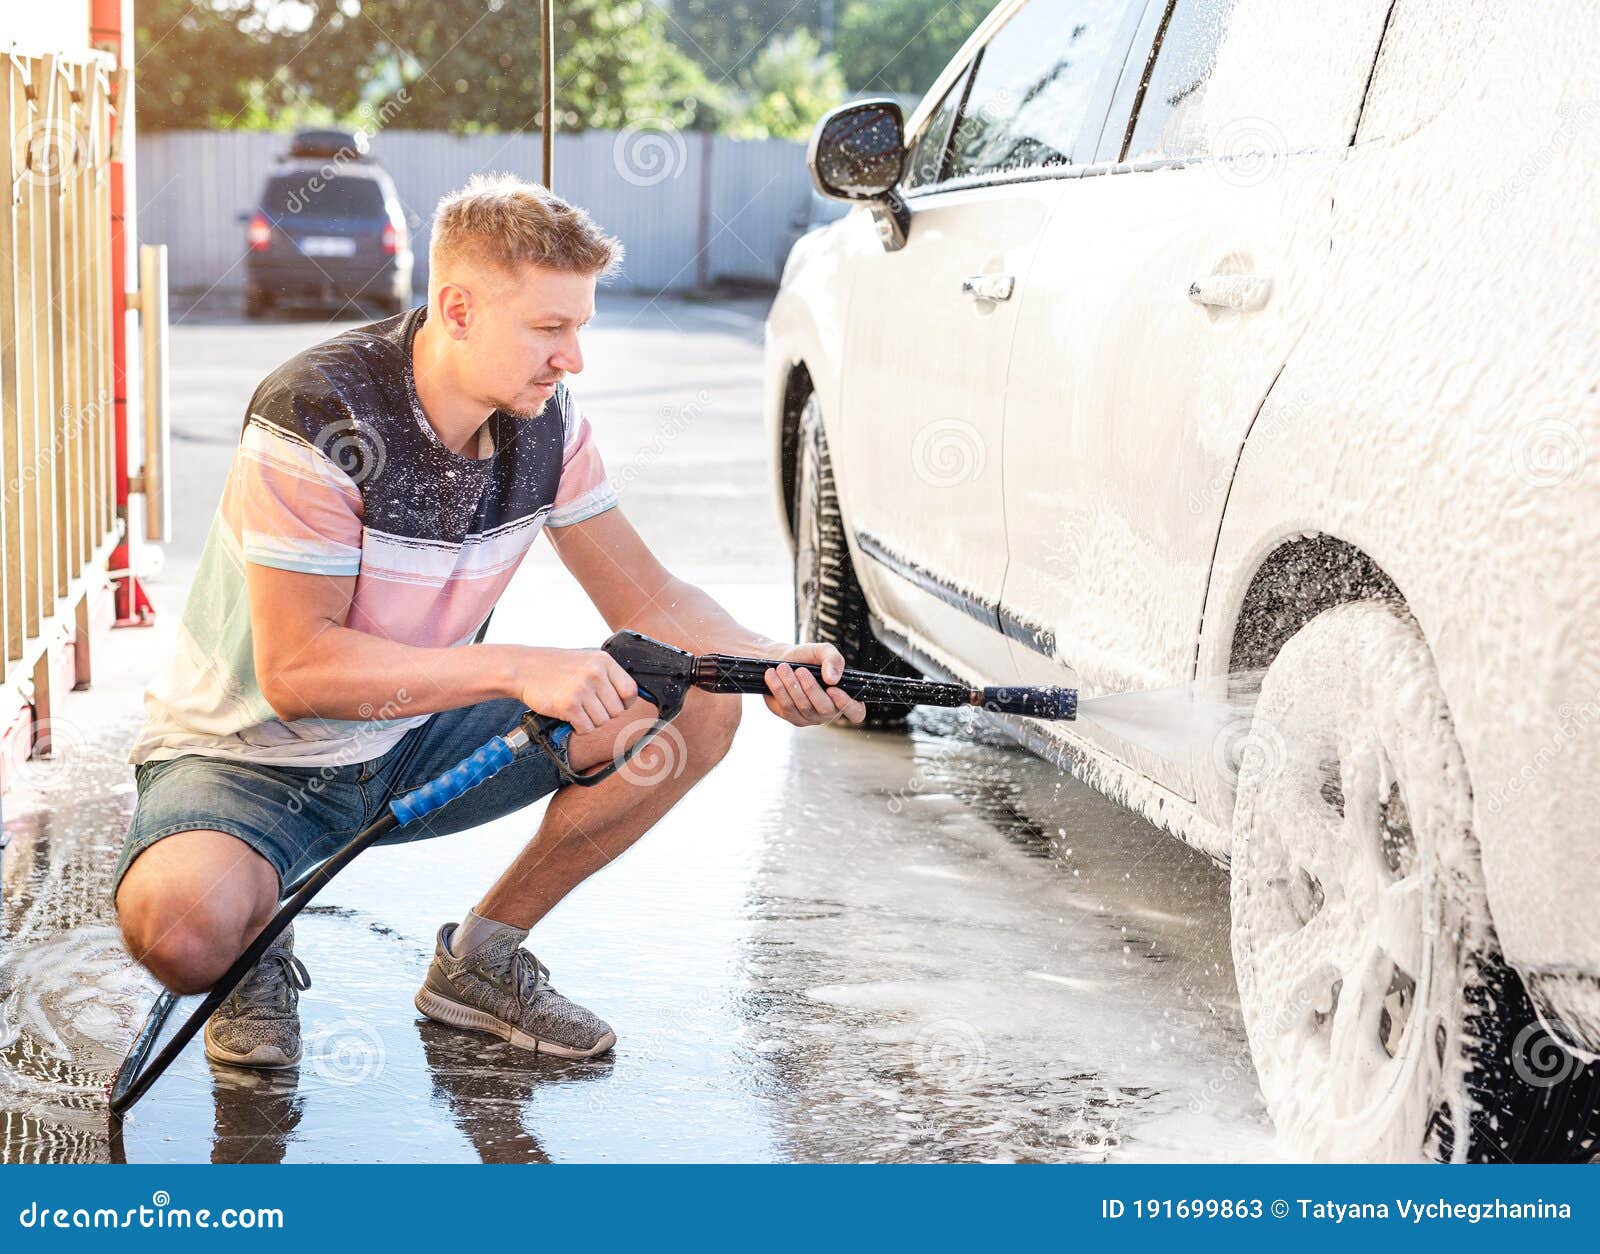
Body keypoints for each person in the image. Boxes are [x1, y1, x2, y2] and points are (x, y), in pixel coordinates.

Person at [113, 173, 866, 1069]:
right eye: (551, 328)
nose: (573, 358)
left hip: (414, 736)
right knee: (184, 934)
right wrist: (514, 667)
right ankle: (254, 941)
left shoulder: (547, 424)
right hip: (249, 757)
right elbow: (299, 670)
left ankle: (480, 963)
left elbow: (651, 600)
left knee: (697, 702)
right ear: (459, 309)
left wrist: (767, 657)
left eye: (580, 326)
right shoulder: (318, 414)